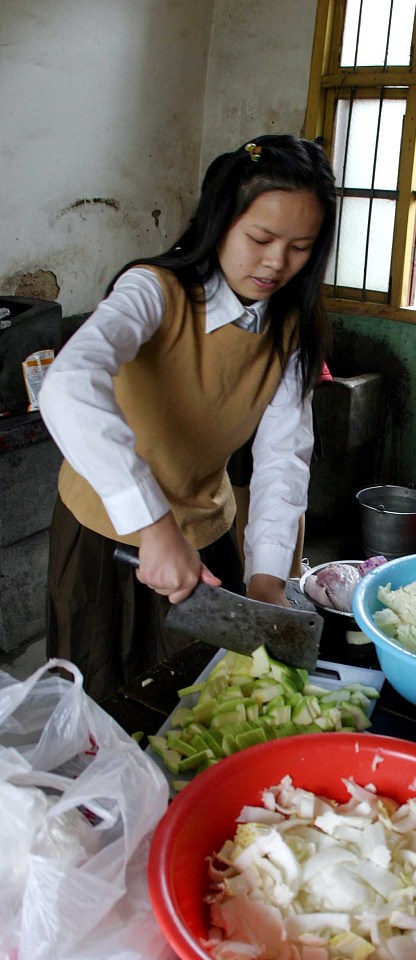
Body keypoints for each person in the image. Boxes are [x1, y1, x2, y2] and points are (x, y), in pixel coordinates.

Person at [39, 134, 336, 700]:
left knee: (202, 697)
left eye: (301, 246)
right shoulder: (154, 291)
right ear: (219, 222)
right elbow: (69, 384)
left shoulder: (291, 331)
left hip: (207, 533)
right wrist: (153, 526)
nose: (277, 263)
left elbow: (282, 456)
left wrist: (268, 577)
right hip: (104, 532)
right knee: (103, 695)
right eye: (260, 238)